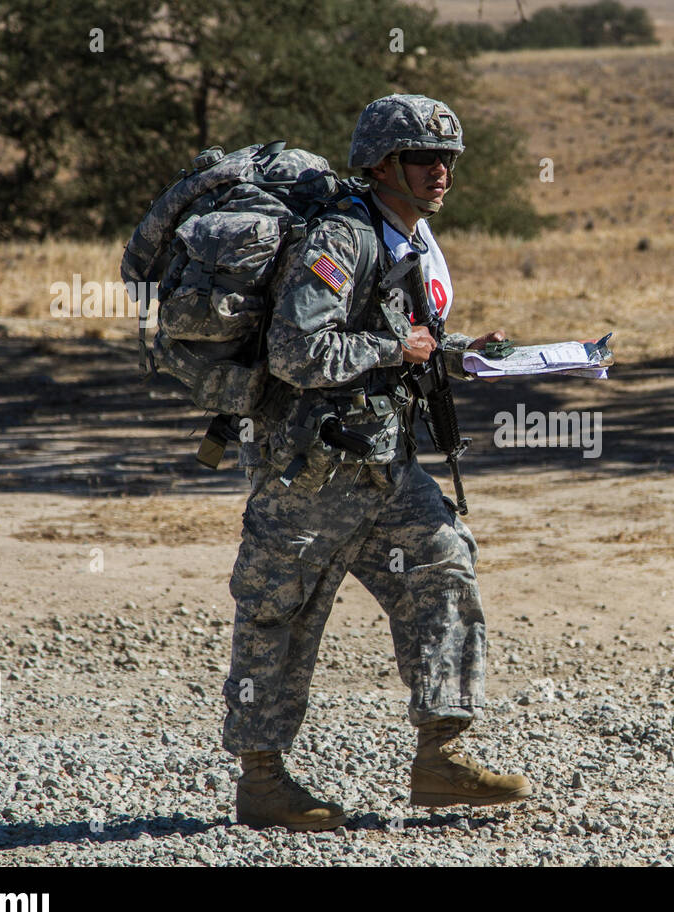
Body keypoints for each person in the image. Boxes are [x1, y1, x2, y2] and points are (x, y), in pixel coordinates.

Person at [223, 93, 533, 830]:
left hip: (385, 469)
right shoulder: (342, 239)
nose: (442, 173)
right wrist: (395, 350)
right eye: (426, 158)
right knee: (281, 619)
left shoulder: (409, 243)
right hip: (312, 476)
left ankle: (442, 754)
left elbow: (404, 338)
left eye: (449, 160)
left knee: (446, 564)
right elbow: (296, 351)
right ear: (383, 164)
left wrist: (462, 352)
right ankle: (262, 781)